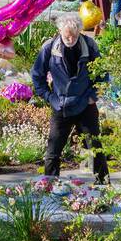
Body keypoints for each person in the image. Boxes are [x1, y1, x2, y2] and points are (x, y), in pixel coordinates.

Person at [31, 14, 109, 184]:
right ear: (59, 31)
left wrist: (93, 96)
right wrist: (49, 97)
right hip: (61, 105)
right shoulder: (50, 47)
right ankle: (49, 185)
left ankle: (103, 184)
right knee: (53, 150)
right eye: (67, 36)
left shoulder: (89, 45)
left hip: (85, 104)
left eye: (74, 35)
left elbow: (102, 74)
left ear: (80, 31)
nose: (71, 39)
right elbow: (37, 75)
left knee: (95, 147)